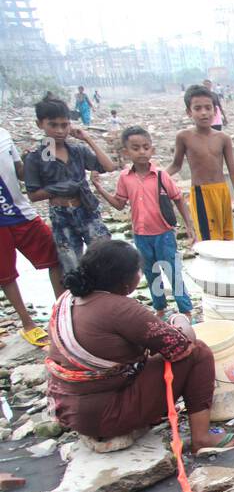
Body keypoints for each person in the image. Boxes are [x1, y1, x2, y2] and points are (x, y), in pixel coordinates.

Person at [44, 239, 234, 454]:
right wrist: (181, 320)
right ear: (126, 282)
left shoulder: (66, 299)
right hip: (105, 416)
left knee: (150, 356)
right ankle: (202, 438)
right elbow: (182, 346)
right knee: (199, 352)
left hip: (70, 410)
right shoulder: (120, 309)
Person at [101, 127, 198, 320]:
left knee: (172, 272)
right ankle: (160, 307)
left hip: (164, 233)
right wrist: (100, 189)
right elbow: (119, 204)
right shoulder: (125, 177)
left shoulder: (161, 175)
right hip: (141, 234)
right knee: (152, 272)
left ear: (152, 150)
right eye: (136, 148)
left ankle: (185, 309)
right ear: (126, 152)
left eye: (145, 147)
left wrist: (188, 225)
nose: (142, 152)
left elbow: (178, 199)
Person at [23, 94, 114, 275]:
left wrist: (87, 139)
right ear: (40, 124)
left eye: (64, 125)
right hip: (61, 215)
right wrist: (57, 189)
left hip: (87, 210)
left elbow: (108, 166)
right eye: (53, 125)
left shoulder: (77, 151)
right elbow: (33, 194)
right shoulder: (35, 157)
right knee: (72, 266)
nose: (59, 131)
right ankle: (80, 301)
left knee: (106, 258)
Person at [0, 125, 61, 347]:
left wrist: (31, 162)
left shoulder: (4, 134)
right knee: (5, 275)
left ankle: (60, 313)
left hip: (20, 212)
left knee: (55, 255)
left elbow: (20, 172)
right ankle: (27, 323)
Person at [168, 85, 234, 241]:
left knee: (227, 238)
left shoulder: (223, 138)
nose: (204, 113)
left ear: (215, 111)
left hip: (222, 192)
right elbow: (176, 165)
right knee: (209, 241)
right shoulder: (184, 137)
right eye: (197, 108)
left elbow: (233, 172)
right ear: (189, 112)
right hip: (201, 194)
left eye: (208, 108)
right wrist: (157, 177)